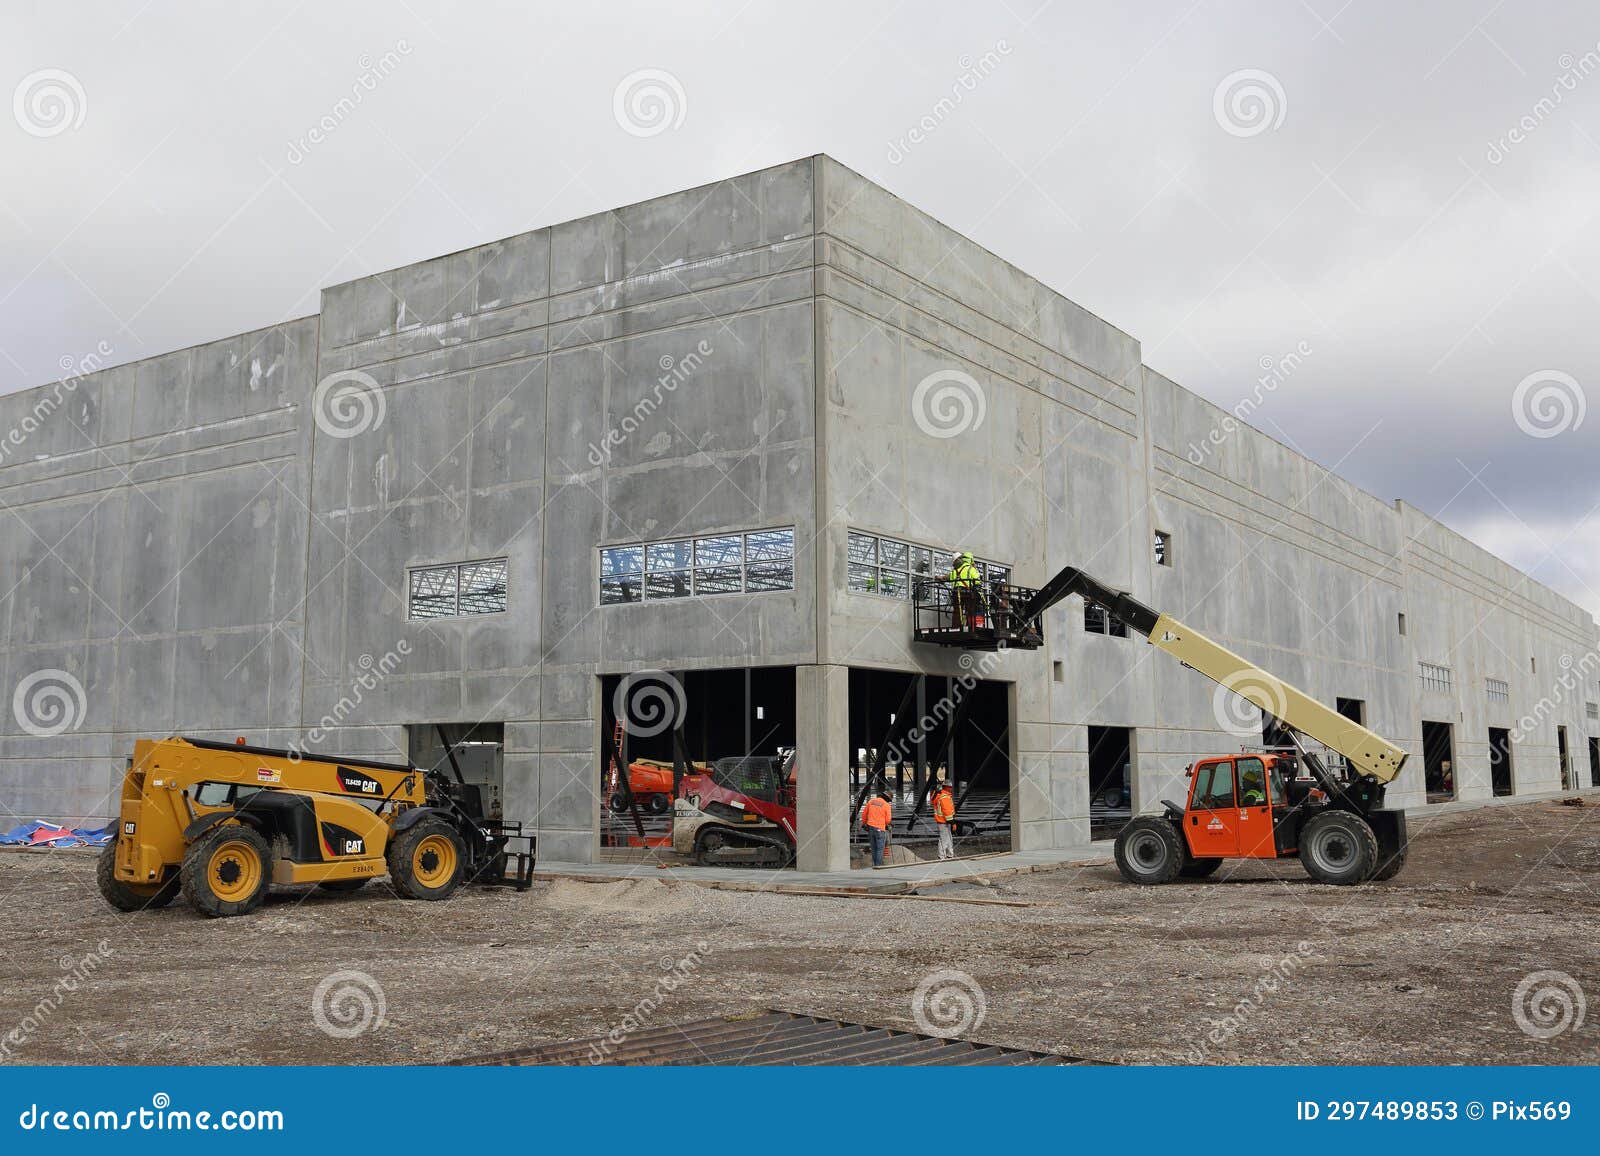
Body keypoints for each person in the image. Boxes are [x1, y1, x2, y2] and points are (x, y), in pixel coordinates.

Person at [948, 550, 983, 629]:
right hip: (967, 593)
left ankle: (955, 627)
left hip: (956, 593)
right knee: (970, 610)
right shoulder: (971, 569)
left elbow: (948, 577)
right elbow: (977, 581)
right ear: (971, 560)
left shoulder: (955, 571)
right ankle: (970, 626)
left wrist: (939, 578)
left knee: (957, 611)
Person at [860, 790, 894, 866]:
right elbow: (888, 820)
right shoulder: (886, 805)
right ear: (888, 799)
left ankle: (875, 865)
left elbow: (864, 814)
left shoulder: (871, 801)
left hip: (870, 828)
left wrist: (864, 823)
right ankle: (878, 866)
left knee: (874, 848)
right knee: (880, 848)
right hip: (880, 829)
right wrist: (888, 825)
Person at [931, 778, 956, 861]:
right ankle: (941, 856)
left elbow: (932, 800)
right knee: (944, 839)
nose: (951, 789)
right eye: (950, 787)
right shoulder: (945, 797)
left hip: (941, 821)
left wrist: (935, 792)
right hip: (944, 821)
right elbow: (947, 812)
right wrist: (953, 823)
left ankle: (950, 854)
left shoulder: (939, 795)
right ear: (947, 787)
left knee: (948, 838)